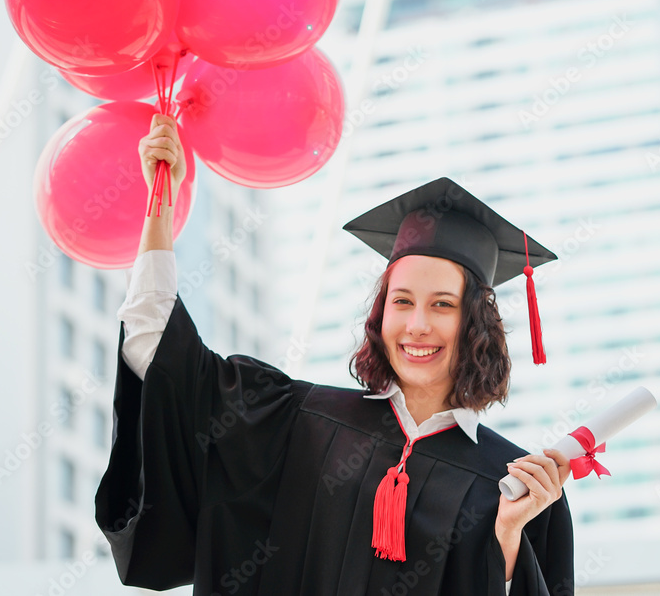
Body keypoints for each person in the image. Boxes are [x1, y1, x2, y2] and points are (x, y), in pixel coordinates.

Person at [94, 114, 575, 595]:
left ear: (475, 325)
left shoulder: (515, 484)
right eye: (401, 301)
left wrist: (508, 538)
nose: (417, 325)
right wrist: (161, 201)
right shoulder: (294, 421)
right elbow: (158, 354)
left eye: (442, 305)